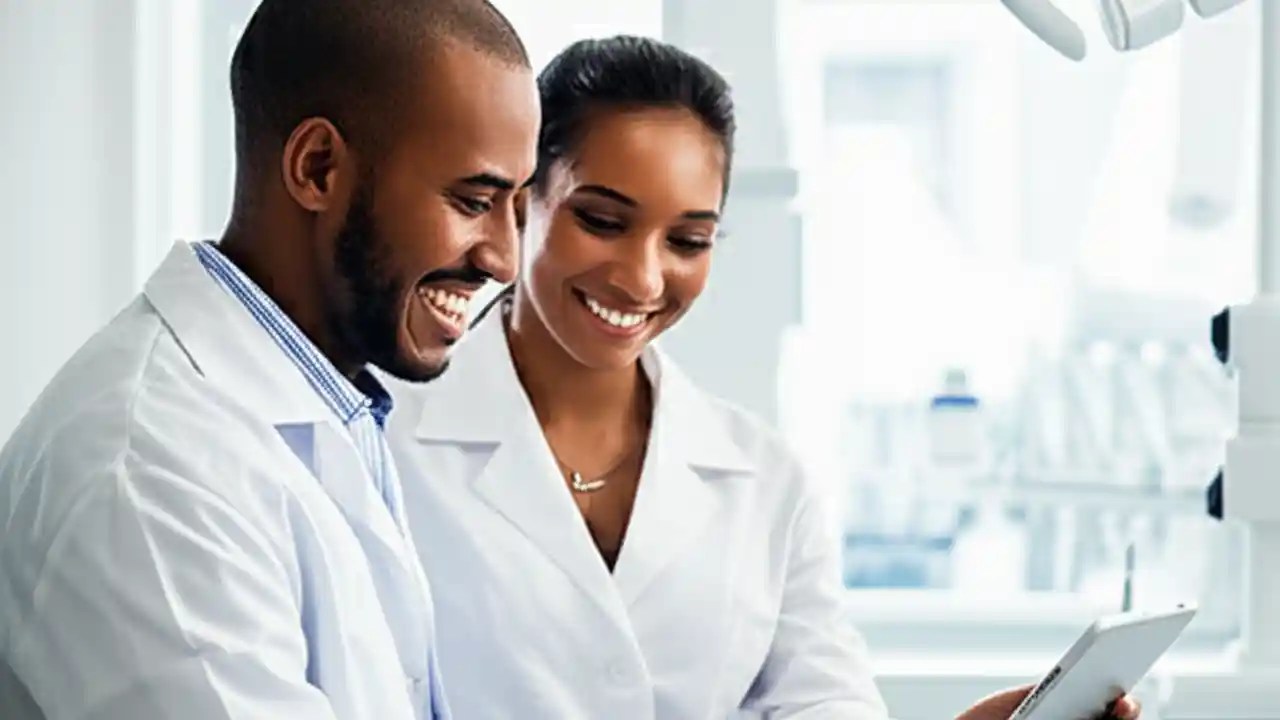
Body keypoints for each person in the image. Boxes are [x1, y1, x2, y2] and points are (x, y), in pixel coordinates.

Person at [383, 35, 1142, 720]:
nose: (643, 278)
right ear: (521, 204)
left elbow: (823, 703)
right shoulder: (386, 443)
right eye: (603, 221)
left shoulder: (765, 479)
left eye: (688, 239)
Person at [0, 1, 537, 718]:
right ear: (317, 168)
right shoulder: (148, 466)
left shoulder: (336, 407)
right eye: (473, 201)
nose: (505, 258)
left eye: (518, 210)